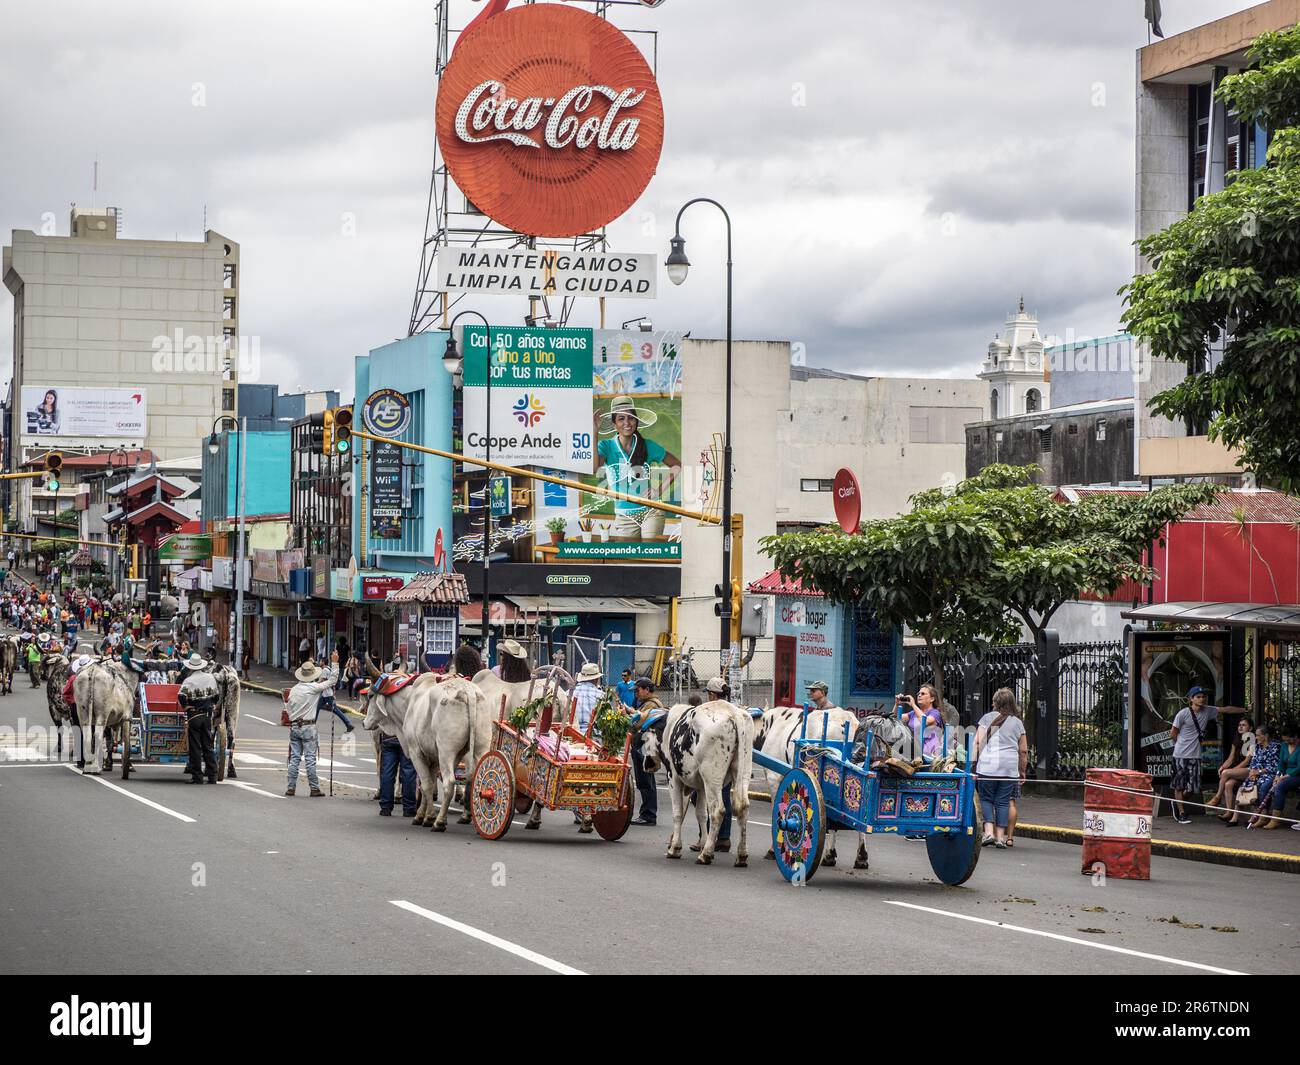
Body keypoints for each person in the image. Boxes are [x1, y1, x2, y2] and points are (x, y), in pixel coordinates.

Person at [592, 394, 683, 542]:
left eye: (631, 418)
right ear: (614, 423)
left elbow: (676, 465)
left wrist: (658, 491)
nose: (627, 423)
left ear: (636, 421)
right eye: (621, 418)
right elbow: (595, 468)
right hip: (624, 515)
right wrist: (595, 432)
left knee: (650, 554)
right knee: (628, 559)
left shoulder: (647, 445)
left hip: (651, 511)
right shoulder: (606, 446)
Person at [1169, 685, 1243, 824]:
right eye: (1198, 696)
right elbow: (1173, 733)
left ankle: (1177, 802)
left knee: (1193, 788)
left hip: (1195, 756)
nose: (1202, 699)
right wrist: (1181, 744)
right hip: (1180, 755)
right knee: (1179, 785)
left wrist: (1245, 710)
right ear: (1191, 699)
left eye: (1203, 696)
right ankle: (1182, 812)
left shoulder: (1208, 711)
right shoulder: (1183, 713)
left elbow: (1226, 709)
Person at [973, 687, 1027, 849]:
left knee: (986, 799)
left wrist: (972, 763)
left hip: (987, 766)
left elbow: (977, 742)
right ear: (1012, 703)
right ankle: (1000, 838)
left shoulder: (986, 718)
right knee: (1003, 802)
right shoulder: (1018, 723)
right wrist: (1022, 770)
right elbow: (1023, 750)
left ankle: (988, 832)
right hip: (1009, 768)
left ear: (995, 702)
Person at [284, 653, 338, 797]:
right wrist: (335, 663)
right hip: (309, 727)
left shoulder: (294, 690)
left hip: (295, 726)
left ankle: (291, 787)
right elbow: (332, 680)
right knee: (310, 759)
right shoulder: (314, 688)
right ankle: (314, 788)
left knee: (294, 758)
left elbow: (288, 709)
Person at [1223, 723, 1280, 827]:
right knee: (1244, 786)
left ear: (1265, 736)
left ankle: (1255, 817)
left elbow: (1275, 767)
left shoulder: (1275, 747)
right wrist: (1253, 772)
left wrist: (1259, 772)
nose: (1256, 737)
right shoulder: (1257, 747)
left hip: (1268, 774)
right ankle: (1235, 817)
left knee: (1260, 785)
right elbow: (1253, 762)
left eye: (1258, 735)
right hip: (1255, 773)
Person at [177, 653, 220, 785]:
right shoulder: (210, 677)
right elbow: (216, 696)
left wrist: (186, 706)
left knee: (195, 747)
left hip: (194, 716)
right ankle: (212, 775)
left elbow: (181, 696)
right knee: (208, 745)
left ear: (191, 667)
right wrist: (211, 704)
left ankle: (197, 776)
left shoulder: (188, 681)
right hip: (207, 716)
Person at [629, 677, 663, 826]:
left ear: (647, 690)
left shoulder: (651, 705)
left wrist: (629, 715)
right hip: (646, 745)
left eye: (638, 690)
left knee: (645, 780)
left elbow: (638, 723)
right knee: (645, 780)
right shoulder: (647, 704)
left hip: (646, 746)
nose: (636, 693)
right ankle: (647, 813)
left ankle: (648, 814)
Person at [1252, 723, 1300, 830]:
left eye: (1289, 740)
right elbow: (1281, 764)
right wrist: (1278, 775)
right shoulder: (1283, 745)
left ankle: (1275, 819)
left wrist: (1285, 776)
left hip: (1296, 776)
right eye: (1285, 740)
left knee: (1279, 787)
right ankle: (1263, 817)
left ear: (1296, 736)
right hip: (1284, 775)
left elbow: (1299, 767)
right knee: (1265, 787)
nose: (1287, 742)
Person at [1211, 716, 1255, 813]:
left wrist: (1232, 771)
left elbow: (1247, 761)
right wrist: (1222, 767)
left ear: (1250, 728)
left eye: (1244, 725)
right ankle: (1229, 812)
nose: (1240, 727)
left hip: (1250, 769)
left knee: (1226, 773)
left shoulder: (1251, 740)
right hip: (1239, 771)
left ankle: (1217, 797)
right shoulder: (1237, 740)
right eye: (1239, 725)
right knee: (1228, 784)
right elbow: (1231, 758)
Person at [897, 685, 945, 758]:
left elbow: (925, 721)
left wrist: (913, 704)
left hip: (929, 753)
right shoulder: (913, 713)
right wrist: (896, 704)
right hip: (913, 750)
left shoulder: (935, 713)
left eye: (923, 694)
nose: (919, 695)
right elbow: (895, 719)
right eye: (918, 694)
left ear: (932, 699)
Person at [377, 733, 418, 818]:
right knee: (408, 772)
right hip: (407, 738)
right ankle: (409, 808)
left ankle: (386, 807)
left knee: (387, 772)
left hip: (389, 737)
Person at [571, 662, 603, 733]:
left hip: (572, 732)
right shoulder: (600, 695)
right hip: (593, 734)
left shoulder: (569, 693)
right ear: (596, 679)